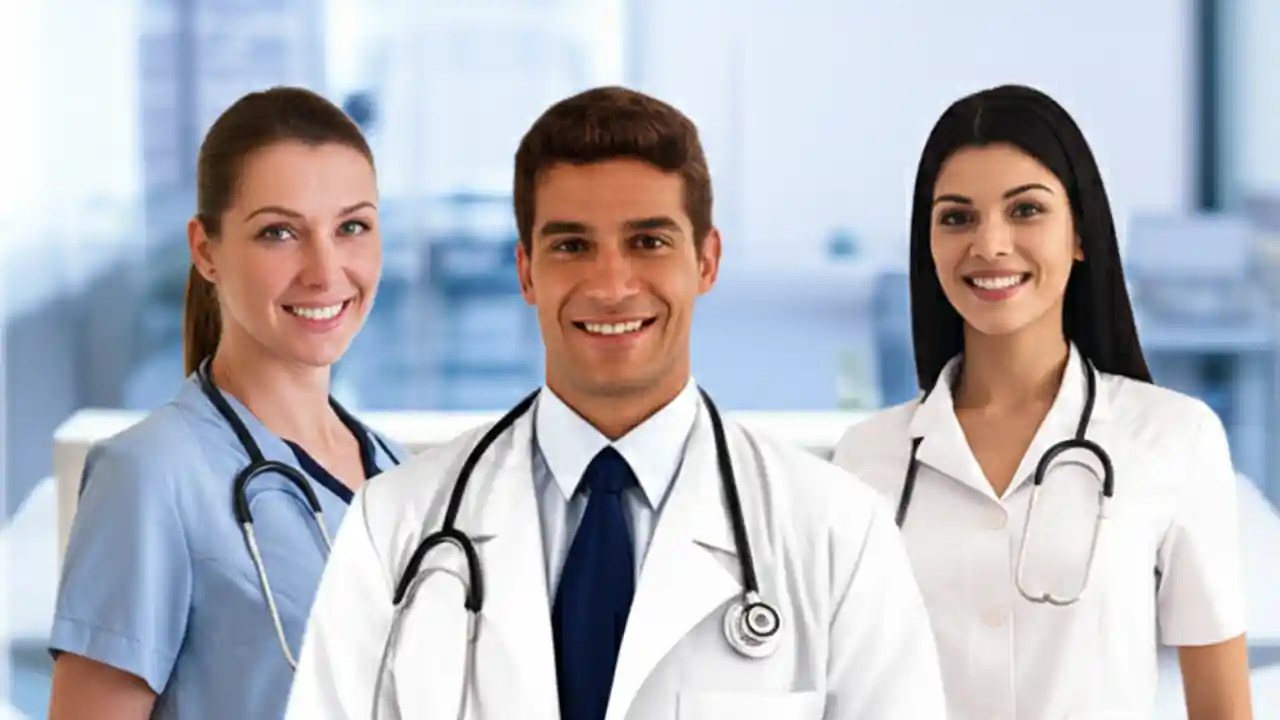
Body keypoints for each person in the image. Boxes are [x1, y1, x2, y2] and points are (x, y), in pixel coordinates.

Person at [286, 85, 945, 720]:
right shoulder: (397, 525)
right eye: (572, 246)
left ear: (706, 261)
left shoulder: (835, 530)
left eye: (648, 242)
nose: (610, 284)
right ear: (526, 272)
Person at [834, 84, 1253, 719]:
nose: (990, 244)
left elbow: (1222, 708)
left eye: (1025, 210)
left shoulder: (1173, 439)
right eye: (957, 217)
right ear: (929, 244)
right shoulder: (866, 459)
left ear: (1080, 233)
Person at [47, 86, 406, 720]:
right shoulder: (151, 477)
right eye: (279, 232)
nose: (325, 271)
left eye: (352, 227)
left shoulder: (399, 476)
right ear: (206, 250)